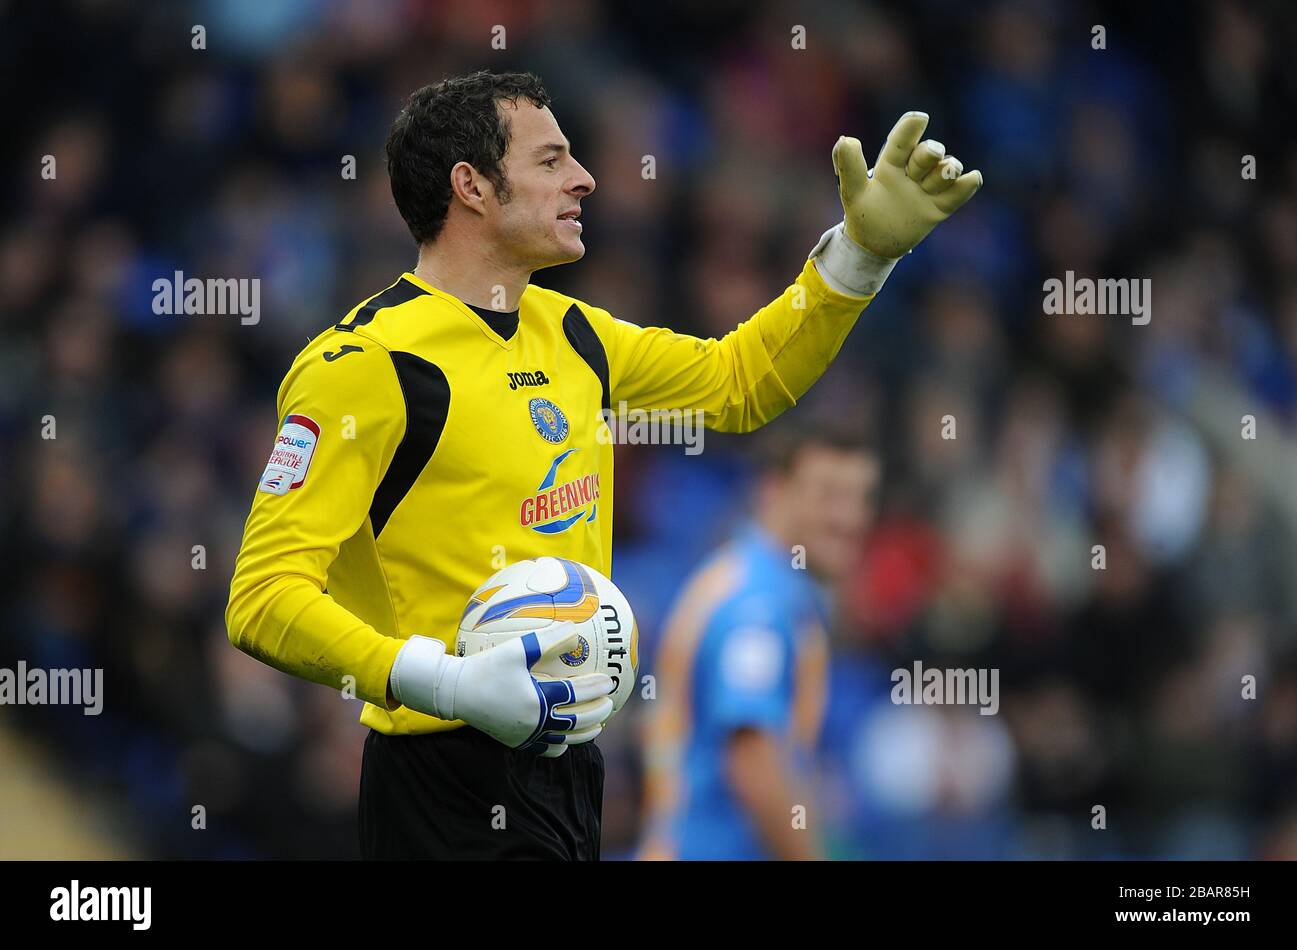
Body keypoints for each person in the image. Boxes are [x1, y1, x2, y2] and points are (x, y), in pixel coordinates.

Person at [224, 69, 980, 860]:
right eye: (550, 161)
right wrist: (444, 682)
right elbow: (262, 596)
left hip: (572, 773)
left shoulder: (576, 334)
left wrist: (857, 259)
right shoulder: (364, 365)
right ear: (471, 186)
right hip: (442, 777)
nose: (583, 179)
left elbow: (738, 385)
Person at [638, 420, 879, 859]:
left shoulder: (751, 583)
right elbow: (753, 761)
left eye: (862, 498)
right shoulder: (758, 607)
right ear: (773, 491)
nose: (850, 518)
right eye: (829, 495)